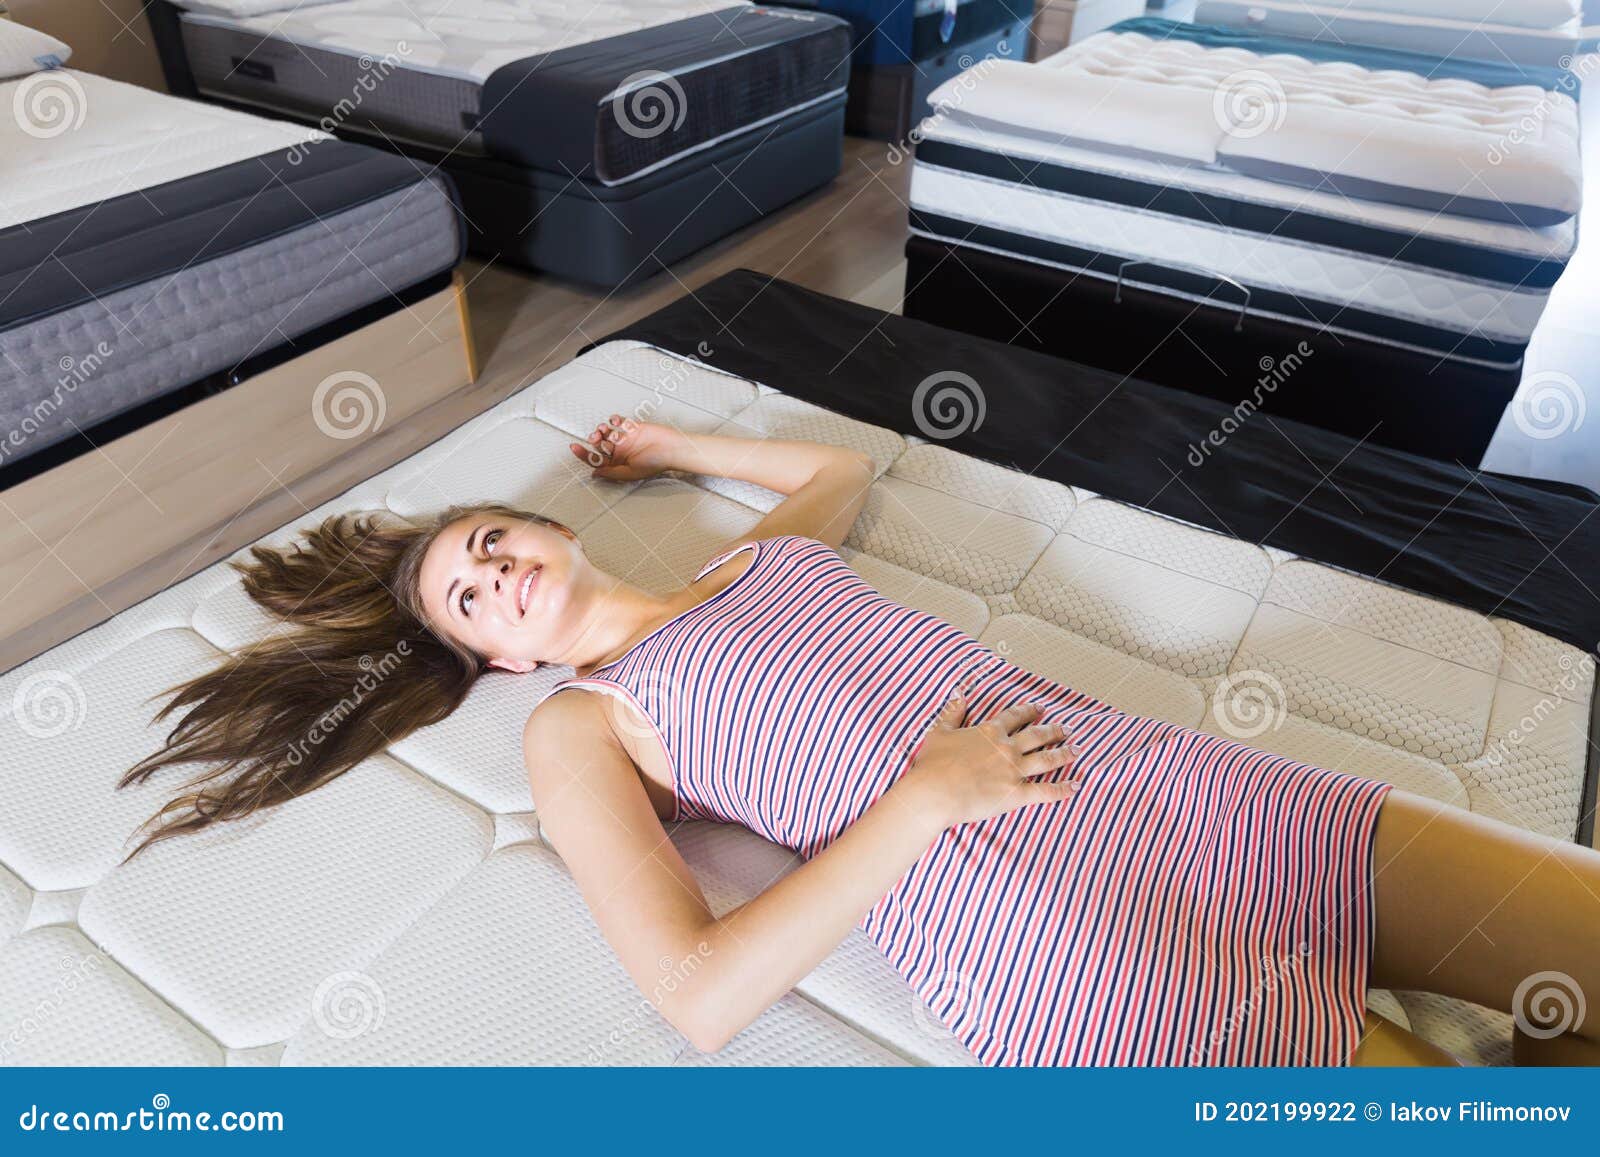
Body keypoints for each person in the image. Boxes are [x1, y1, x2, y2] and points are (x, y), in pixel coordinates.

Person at [128, 416, 1600, 1066]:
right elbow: (699, 995)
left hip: (1175, 780)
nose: (499, 566)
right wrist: (919, 801)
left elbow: (839, 468)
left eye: (497, 535)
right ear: (497, 654)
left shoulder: (746, 565)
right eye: (472, 590)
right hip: (1048, 922)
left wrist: (670, 448)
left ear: (557, 526)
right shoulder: (577, 725)